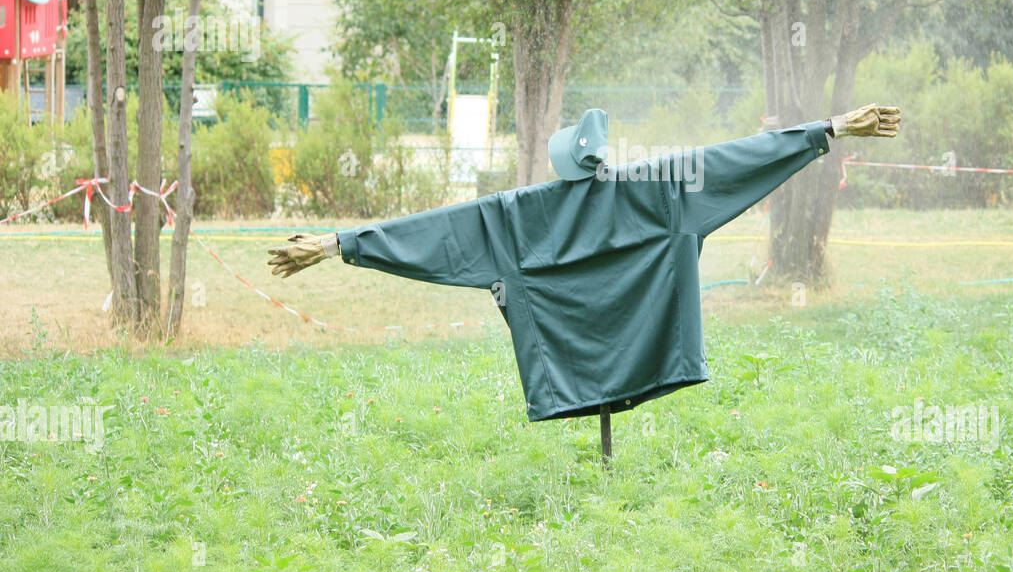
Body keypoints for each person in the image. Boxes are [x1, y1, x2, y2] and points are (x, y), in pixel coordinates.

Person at [268, 104, 901, 422]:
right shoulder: (663, 187)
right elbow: (741, 156)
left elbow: (439, 233)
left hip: (566, 377)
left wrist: (339, 243)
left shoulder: (517, 218)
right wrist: (830, 131)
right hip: (659, 359)